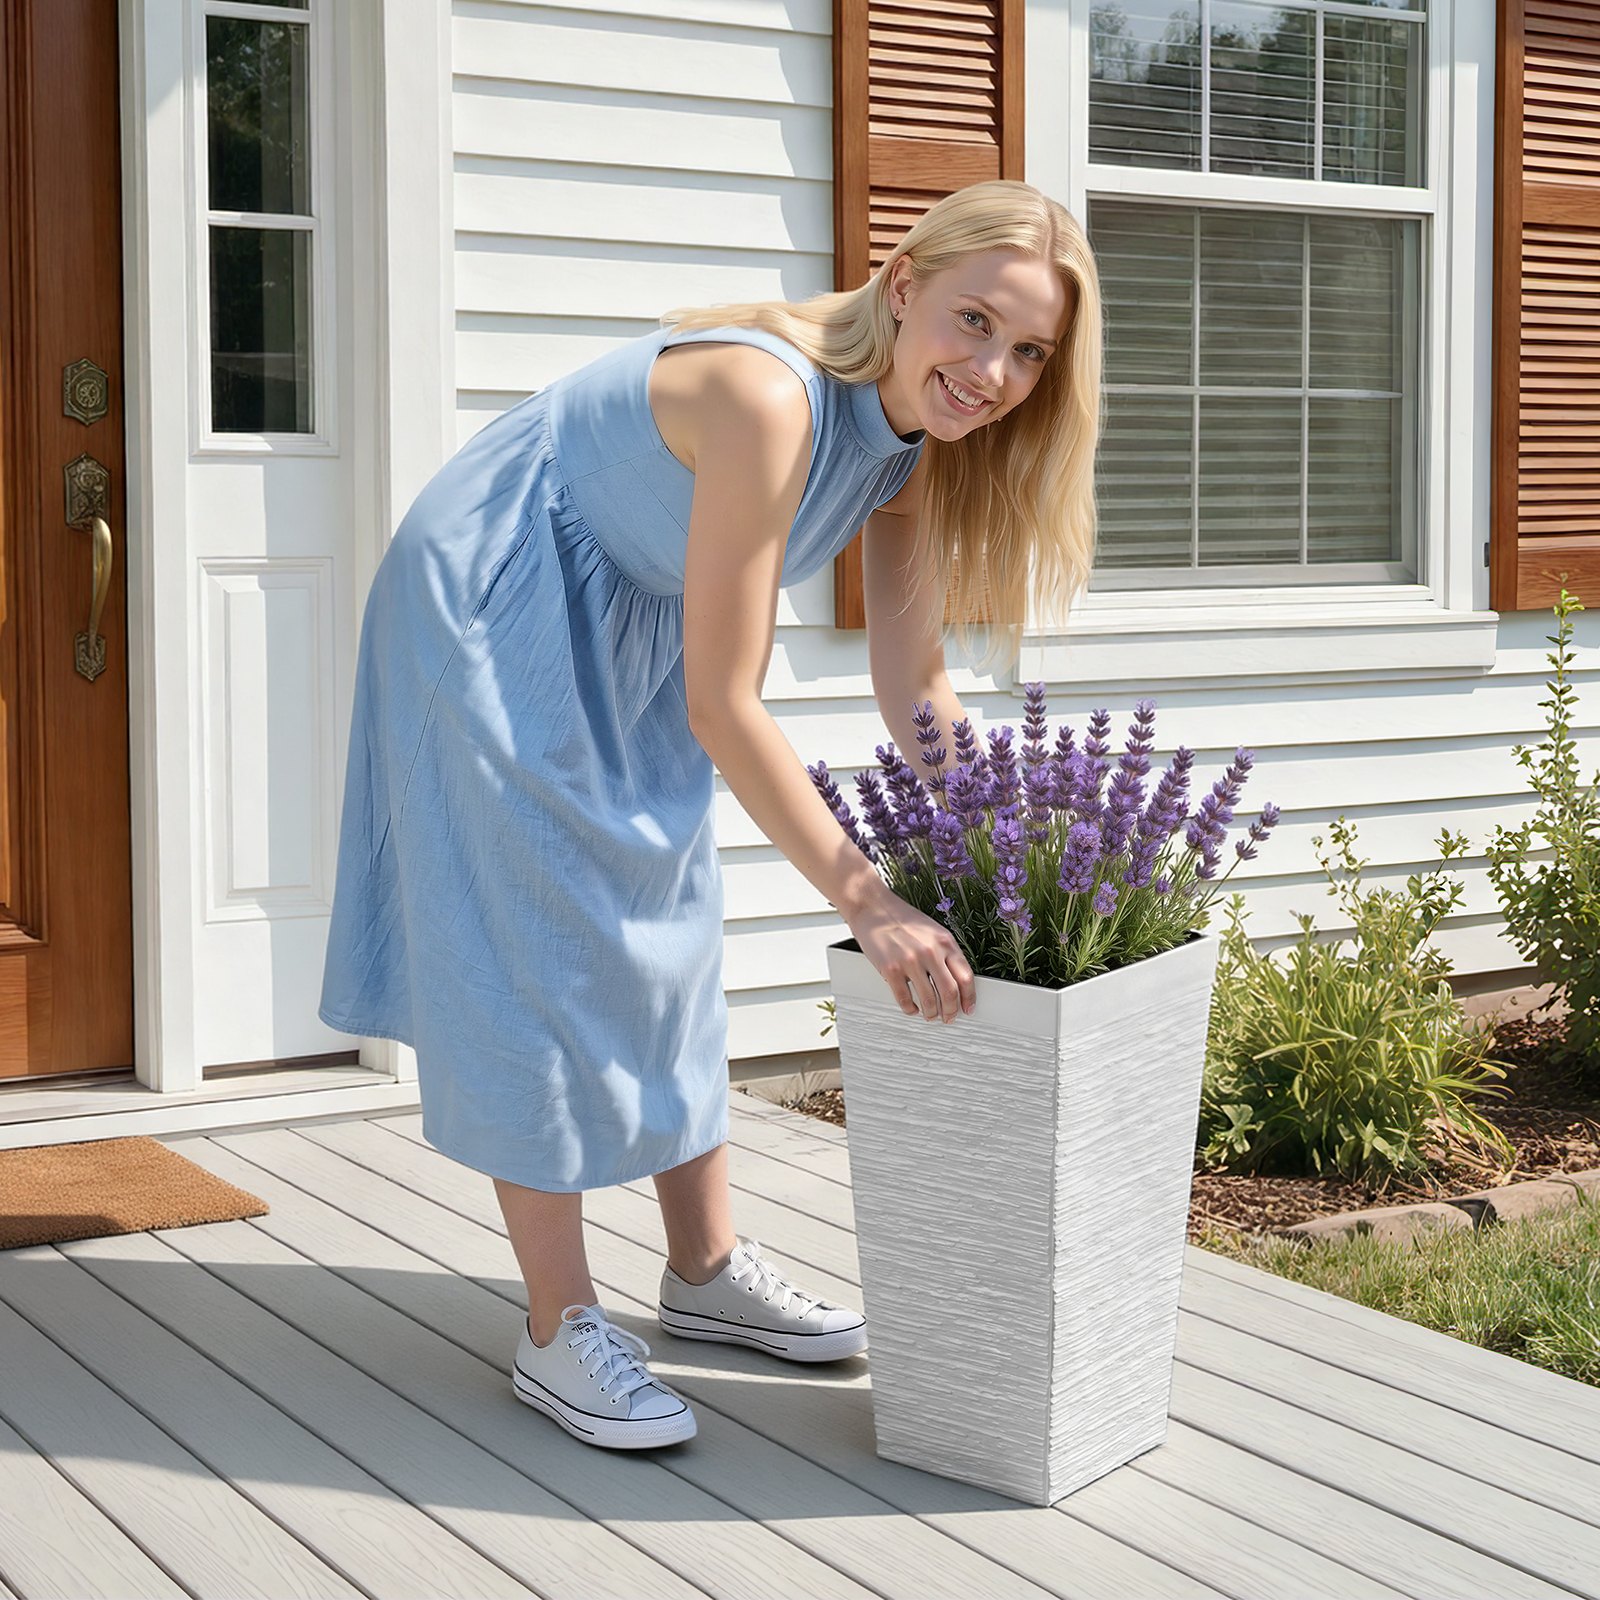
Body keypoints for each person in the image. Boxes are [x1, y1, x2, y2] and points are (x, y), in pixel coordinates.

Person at [318, 178, 1103, 1452]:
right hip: (494, 590)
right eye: (973, 323)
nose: (994, 371)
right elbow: (725, 702)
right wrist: (868, 896)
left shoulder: (907, 446)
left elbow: (915, 685)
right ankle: (555, 1324)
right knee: (545, 938)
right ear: (902, 287)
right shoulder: (766, 399)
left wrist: (1009, 850)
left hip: (628, 602)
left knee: (670, 914)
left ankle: (703, 1271)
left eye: (1027, 352)